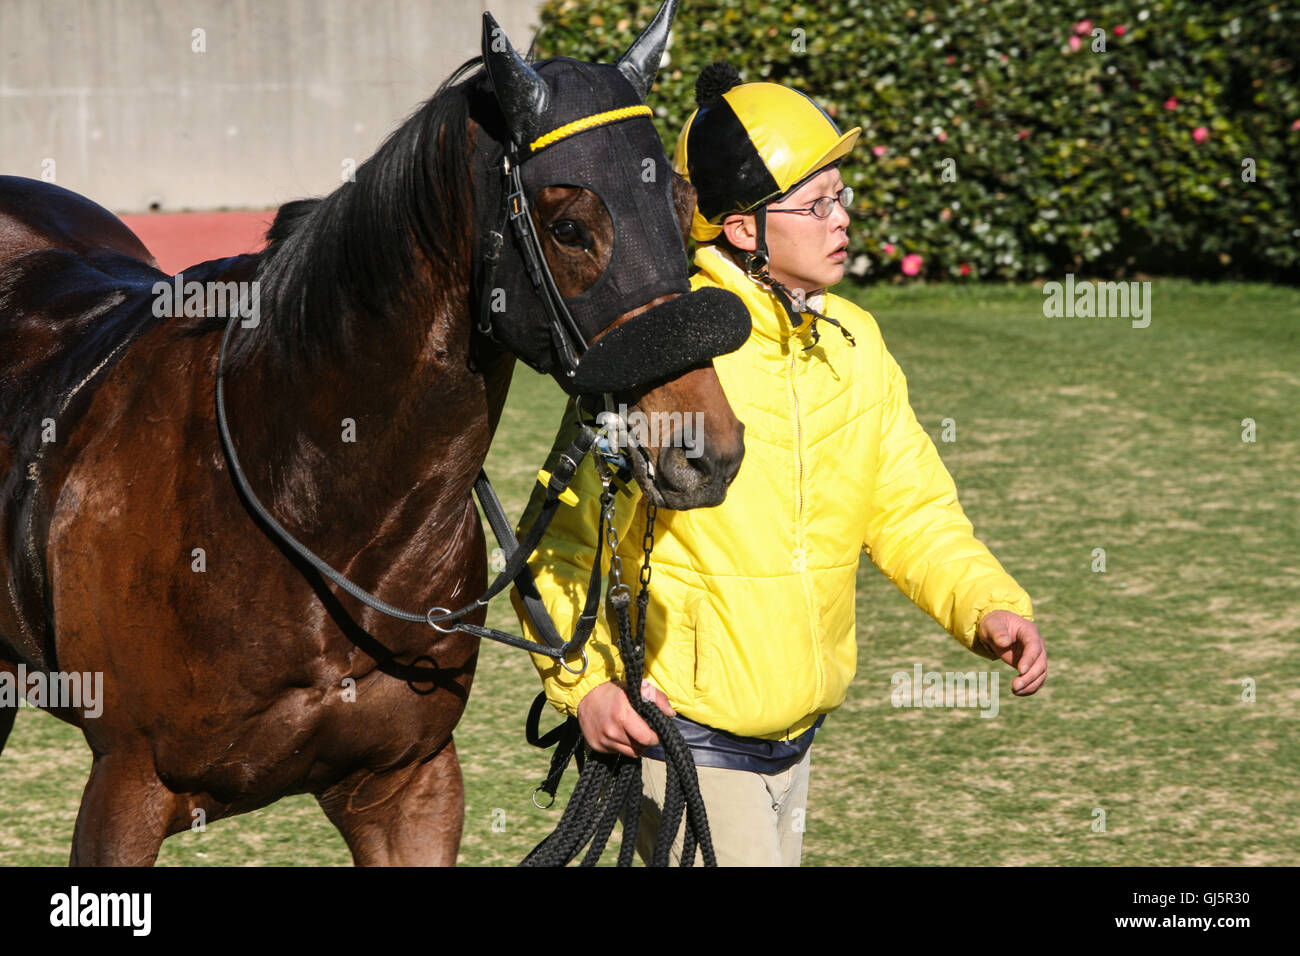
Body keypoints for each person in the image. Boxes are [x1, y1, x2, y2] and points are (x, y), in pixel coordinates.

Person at [511, 62, 1046, 866]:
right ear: (739, 230)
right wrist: (583, 689)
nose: (843, 219)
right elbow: (556, 547)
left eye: (843, 196)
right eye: (817, 203)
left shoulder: (858, 342)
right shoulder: (669, 360)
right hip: (683, 743)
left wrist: (985, 604)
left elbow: (909, 510)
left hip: (799, 738)